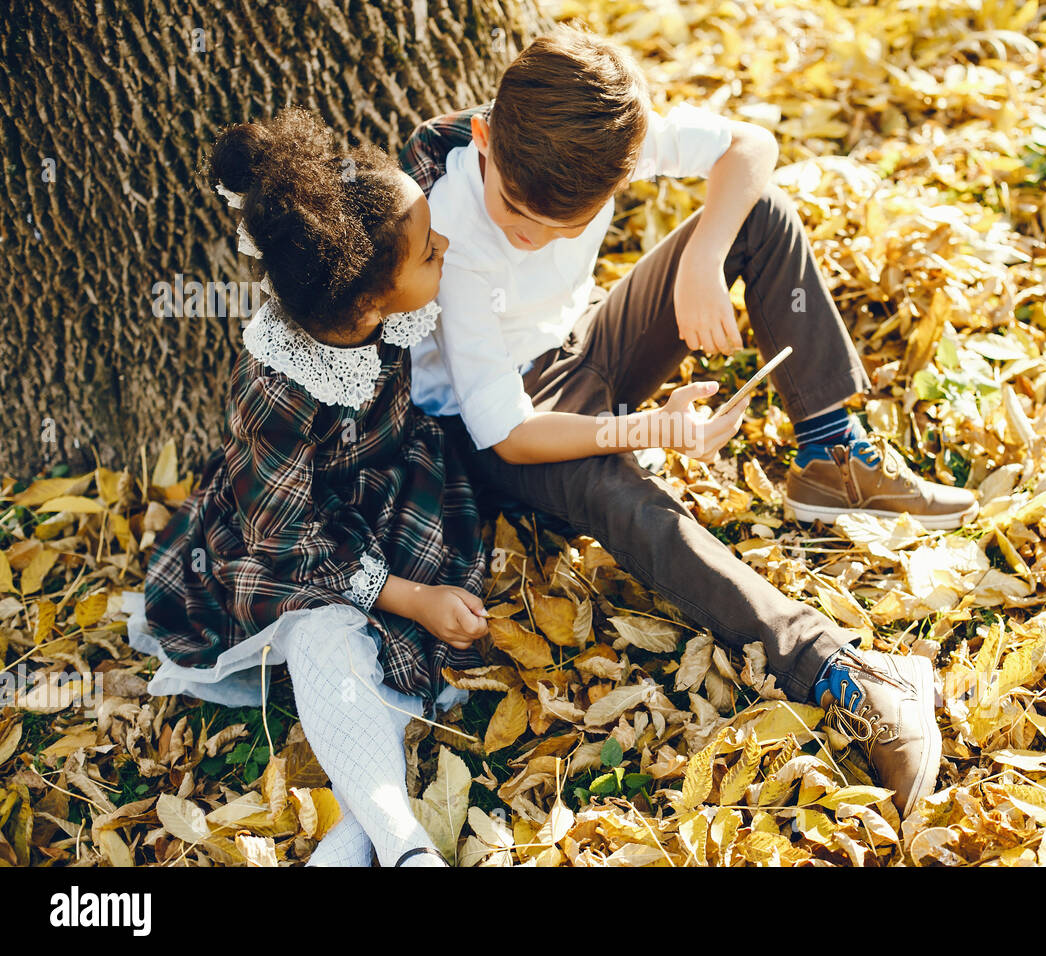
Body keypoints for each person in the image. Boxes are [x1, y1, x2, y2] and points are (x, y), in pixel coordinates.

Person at [399, 27, 973, 817]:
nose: (528, 235)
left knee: (756, 213)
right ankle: (843, 671)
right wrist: (641, 433)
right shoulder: (453, 226)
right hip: (493, 427)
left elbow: (751, 144)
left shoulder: (611, 143)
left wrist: (705, 255)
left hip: (581, 347)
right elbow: (506, 428)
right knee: (628, 500)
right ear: (485, 140)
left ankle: (830, 455)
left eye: (562, 227)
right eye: (515, 211)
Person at [125, 108, 488, 866]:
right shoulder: (281, 393)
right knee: (330, 639)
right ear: (367, 304)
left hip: (390, 501)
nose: (444, 247)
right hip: (291, 550)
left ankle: (360, 835)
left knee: (401, 650)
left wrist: (505, 125)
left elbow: (438, 144)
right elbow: (284, 543)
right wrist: (408, 596)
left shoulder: (368, 285)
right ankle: (401, 845)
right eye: (429, 253)